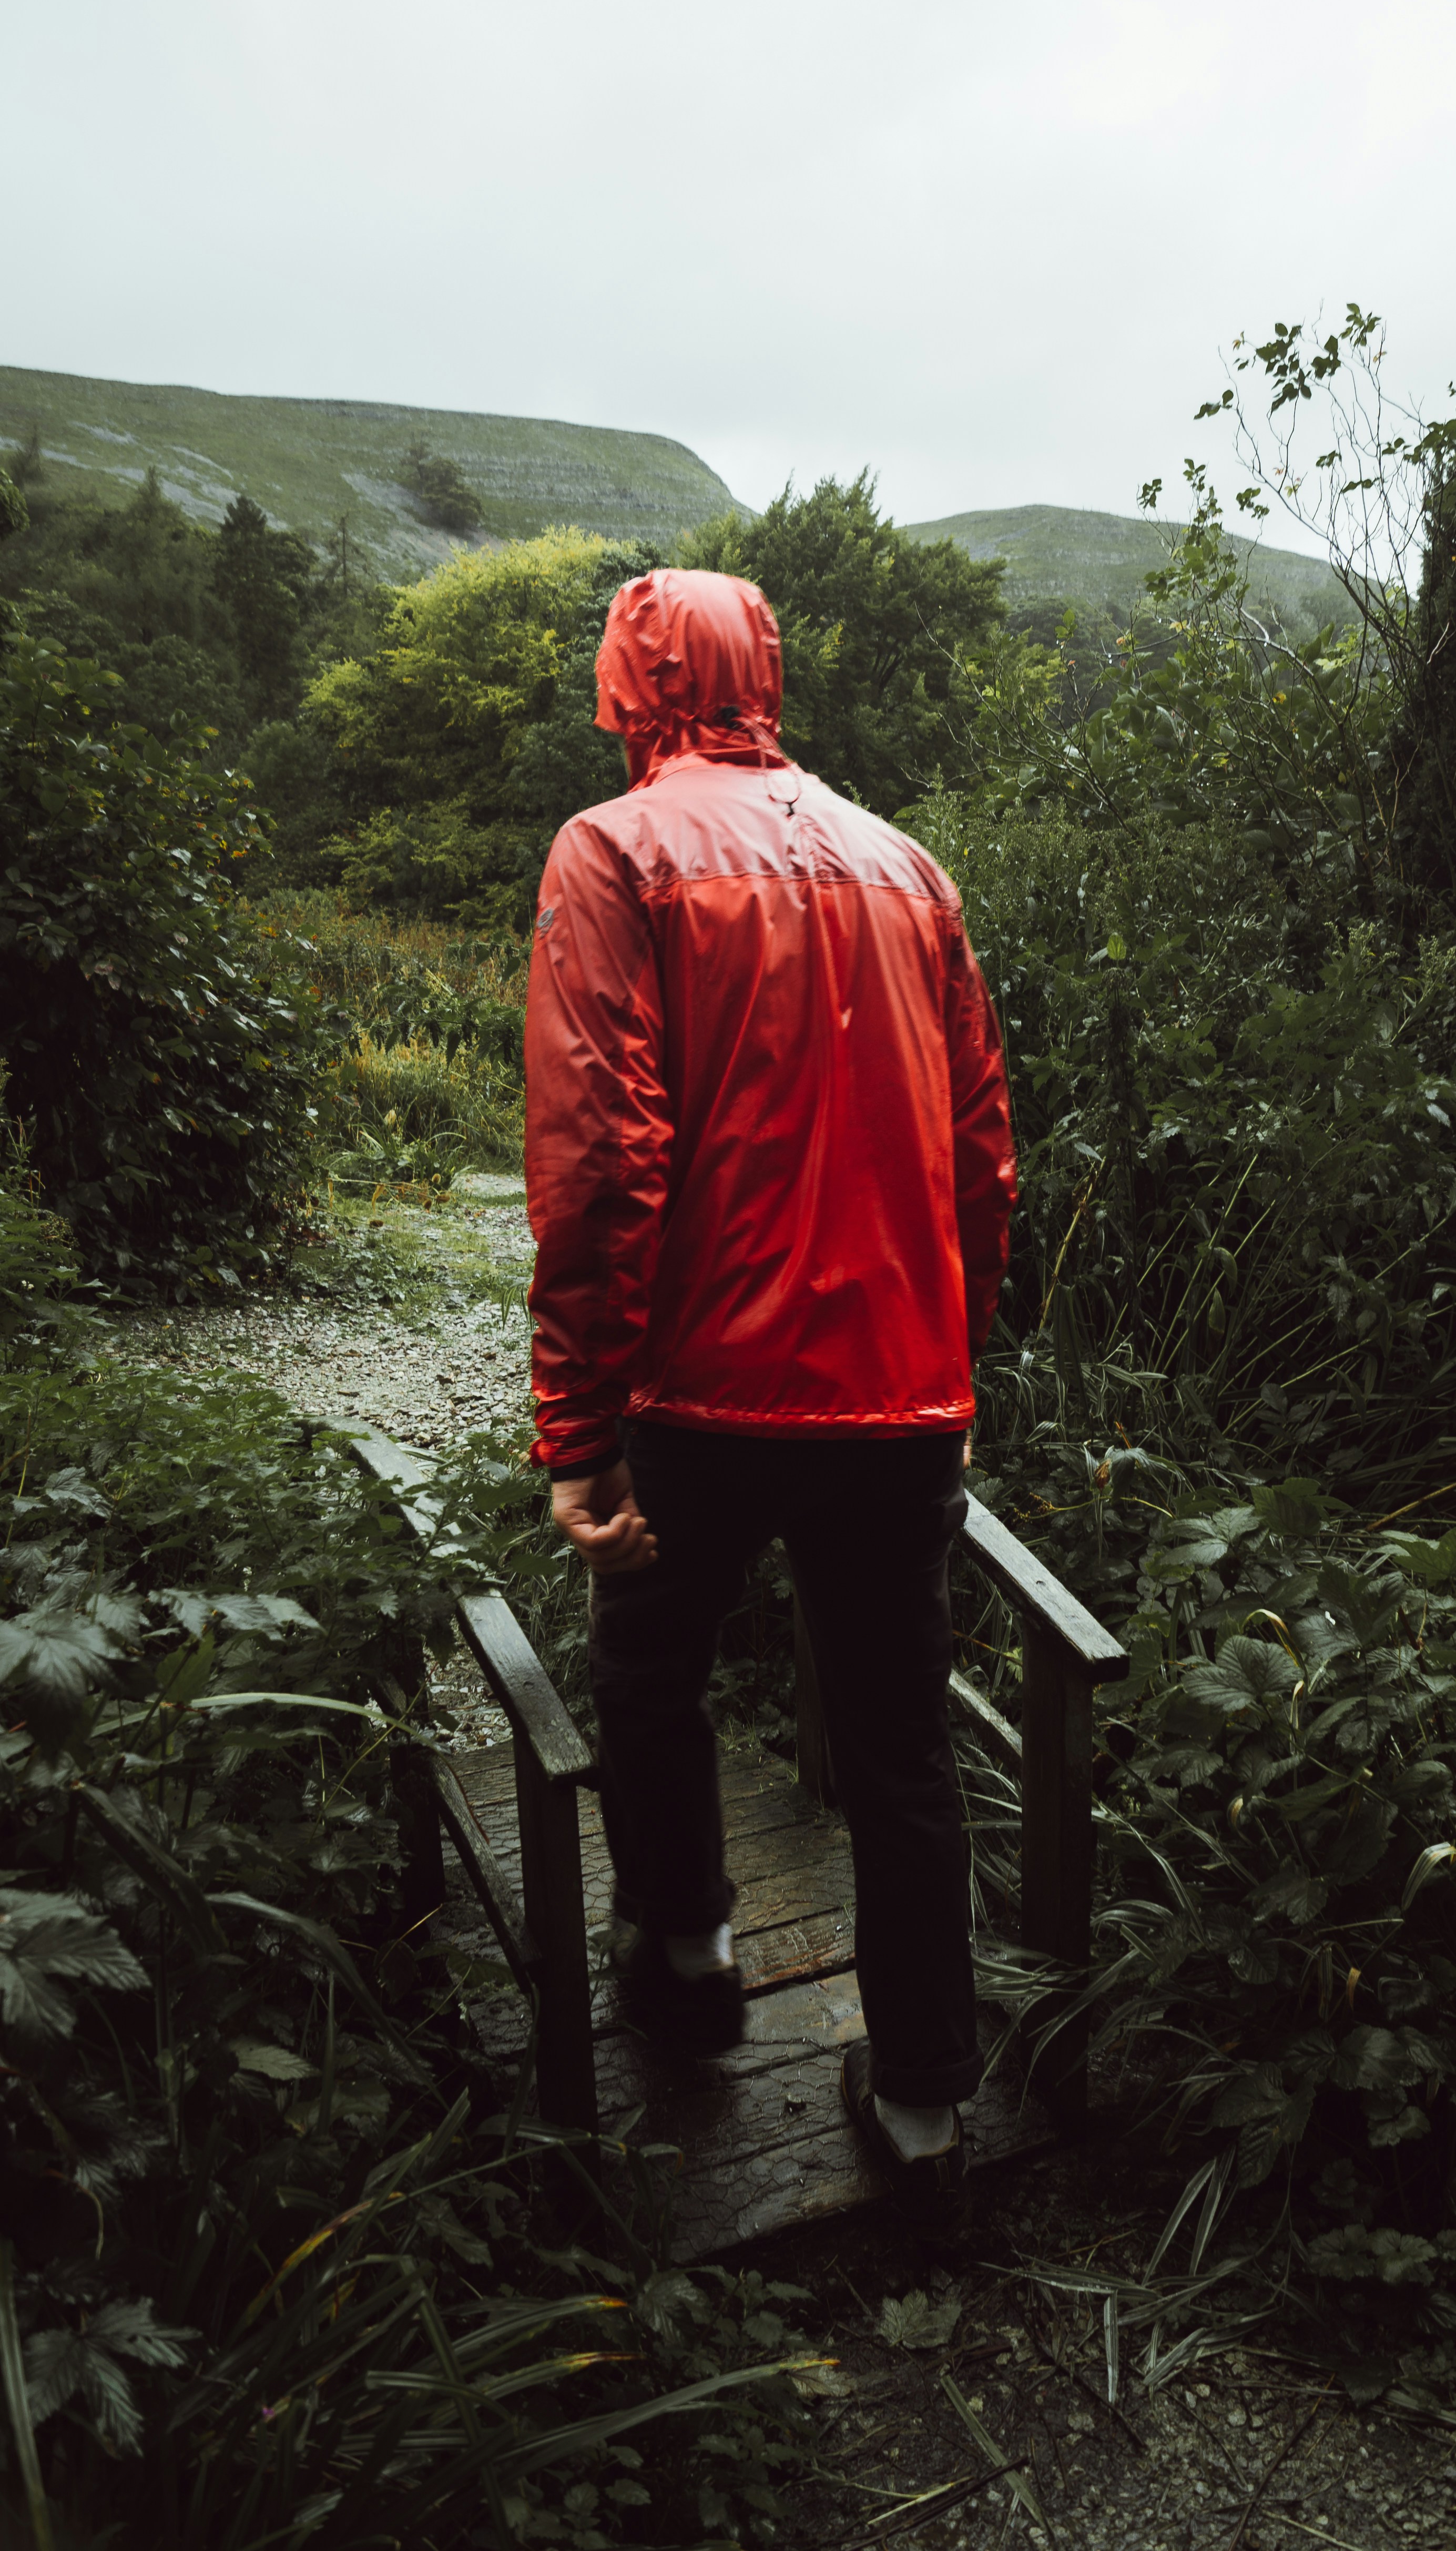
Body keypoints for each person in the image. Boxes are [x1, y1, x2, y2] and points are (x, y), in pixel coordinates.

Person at [524, 565, 1015, 2214]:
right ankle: (932, 2108)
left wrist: (579, 1434)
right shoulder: (907, 865)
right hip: (897, 1404)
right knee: (898, 1745)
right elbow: (980, 1163)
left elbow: (603, 1166)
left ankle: (691, 1950)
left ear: (629, 680)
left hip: (704, 1399)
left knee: (653, 1666)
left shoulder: (613, 854)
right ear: (768, 678)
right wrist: (957, 1362)